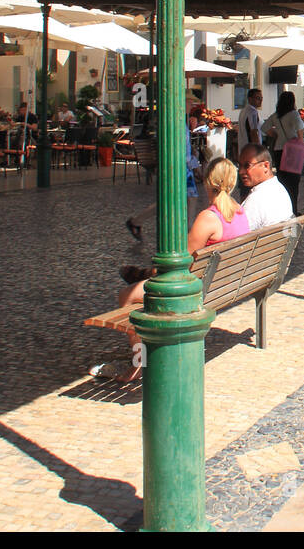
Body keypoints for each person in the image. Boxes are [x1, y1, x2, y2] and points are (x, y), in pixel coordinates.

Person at [97, 157, 251, 381]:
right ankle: (140, 278)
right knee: (141, 283)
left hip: (198, 290)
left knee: (126, 295)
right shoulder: (239, 213)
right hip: (224, 286)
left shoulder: (208, 218)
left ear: (208, 181)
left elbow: (181, 261)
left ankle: (139, 364)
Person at [262, 92, 304, 213]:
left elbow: (264, 127)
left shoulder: (276, 116)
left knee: (283, 181)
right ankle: (293, 210)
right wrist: (300, 145)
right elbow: (300, 130)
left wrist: (276, 135)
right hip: (292, 151)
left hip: (279, 150)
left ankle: (283, 209)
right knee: (294, 182)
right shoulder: (294, 114)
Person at [238, 144, 294, 230]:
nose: (241, 171)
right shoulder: (280, 189)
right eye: (240, 166)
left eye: (247, 165)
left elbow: (238, 234)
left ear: (265, 166)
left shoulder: (255, 200)